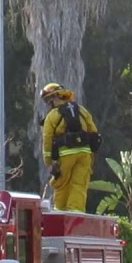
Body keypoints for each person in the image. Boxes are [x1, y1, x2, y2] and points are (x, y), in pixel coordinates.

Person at [40, 82, 100, 212]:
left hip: (65, 154)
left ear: (56, 97)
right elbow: (94, 132)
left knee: (62, 183)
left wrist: (49, 162)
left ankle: (60, 211)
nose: (47, 104)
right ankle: (76, 211)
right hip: (85, 154)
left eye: (48, 100)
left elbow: (47, 140)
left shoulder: (52, 116)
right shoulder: (82, 110)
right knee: (79, 184)